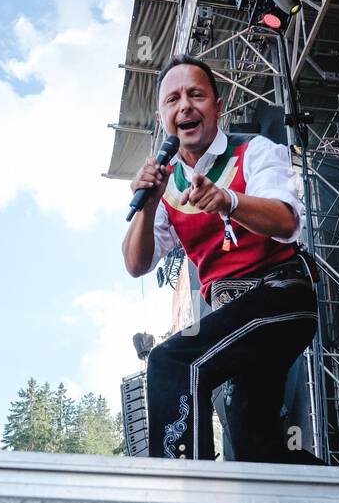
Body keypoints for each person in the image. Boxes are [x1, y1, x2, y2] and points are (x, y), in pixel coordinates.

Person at [123, 54, 321, 464]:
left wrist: (228, 200)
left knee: (175, 362)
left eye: (196, 95)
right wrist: (147, 205)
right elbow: (135, 264)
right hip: (235, 315)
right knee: (255, 446)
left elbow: (286, 221)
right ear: (163, 117)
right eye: (172, 100)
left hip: (282, 295)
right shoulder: (167, 182)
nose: (185, 106)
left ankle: (185, 493)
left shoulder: (253, 151)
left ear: (218, 106)